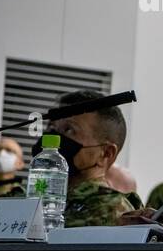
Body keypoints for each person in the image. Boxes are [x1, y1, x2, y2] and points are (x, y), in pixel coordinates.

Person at [33, 90, 141, 227]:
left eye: (69, 130)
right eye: (51, 127)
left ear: (106, 153)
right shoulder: (39, 198)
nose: (54, 136)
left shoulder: (111, 211)